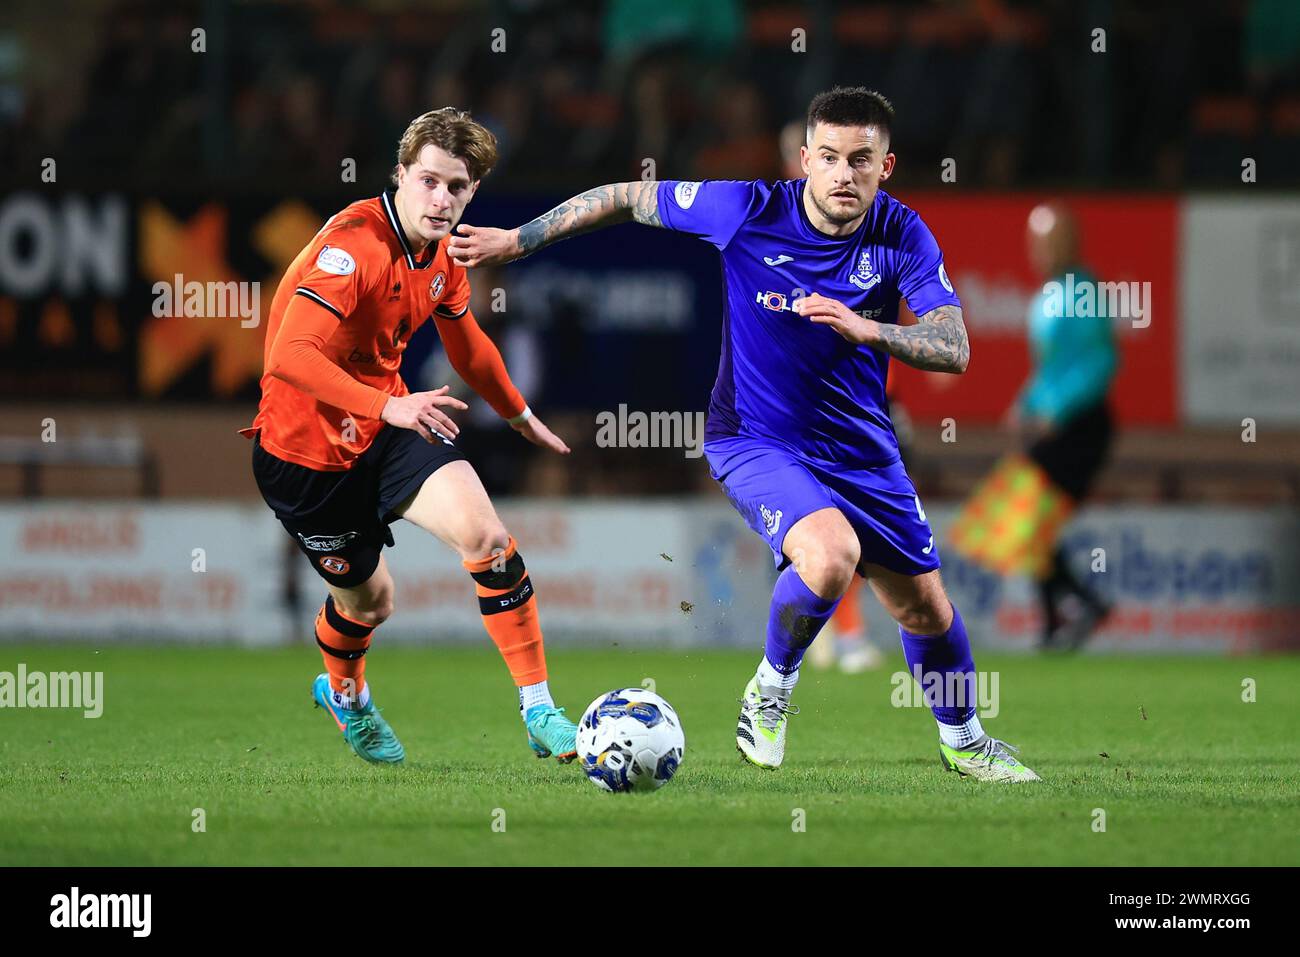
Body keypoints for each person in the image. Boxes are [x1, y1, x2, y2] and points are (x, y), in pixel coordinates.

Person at [451, 87, 1040, 782]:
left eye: (861, 159)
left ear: (887, 166)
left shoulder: (901, 232)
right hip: (755, 438)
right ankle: (770, 690)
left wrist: (869, 328)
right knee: (829, 555)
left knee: (926, 609)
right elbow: (622, 196)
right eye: (829, 157)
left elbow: (954, 344)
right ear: (804, 160)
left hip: (863, 448)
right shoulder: (747, 210)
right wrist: (520, 239)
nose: (844, 174)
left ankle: (965, 740)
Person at [242, 108, 580, 765]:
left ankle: (540, 708)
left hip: (389, 427)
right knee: (372, 603)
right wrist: (385, 406)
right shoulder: (355, 247)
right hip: (305, 456)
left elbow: (471, 348)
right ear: (399, 175)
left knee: (487, 538)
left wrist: (516, 412)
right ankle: (347, 696)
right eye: (428, 181)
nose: (441, 198)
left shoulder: (445, 258)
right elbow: (288, 355)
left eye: (457, 186)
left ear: (472, 191)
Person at [1015, 202, 1117, 647]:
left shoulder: (1081, 291)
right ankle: (1059, 618)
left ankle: (1071, 610)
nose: (1040, 249)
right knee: (1027, 521)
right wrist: (1028, 403)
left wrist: (1055, 409)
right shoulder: (1051, 293)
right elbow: (1052, 367)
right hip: (1055, 422)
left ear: (1069, 242)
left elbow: (1101, 360)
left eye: (1049, 239)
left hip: (1081, 426)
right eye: (1035, 240)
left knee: (1028, 517)